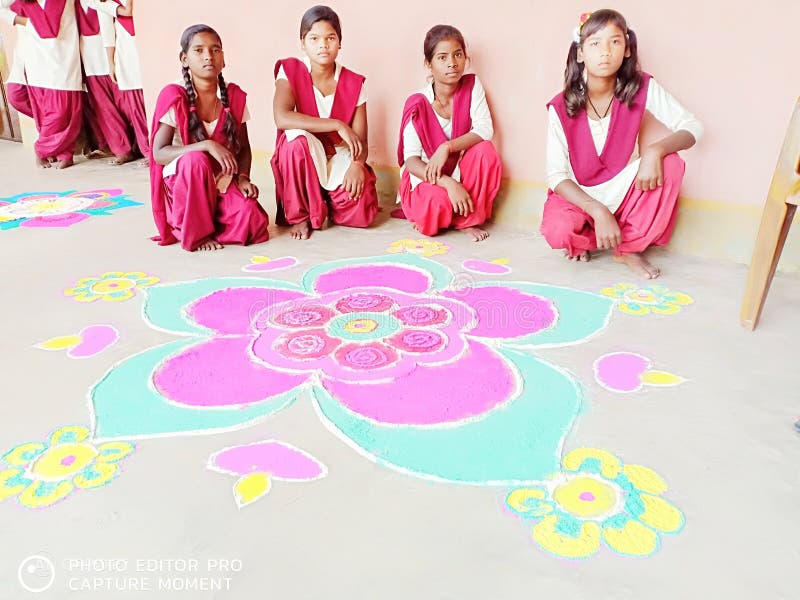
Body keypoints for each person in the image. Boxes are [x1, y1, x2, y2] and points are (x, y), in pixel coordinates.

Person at [541, 9, 703, 278]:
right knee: (558, 230)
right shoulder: (560, 106)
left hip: (623, 189)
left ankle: (628, 248)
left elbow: (693, 126)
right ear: (580, 53)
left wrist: (656, 150)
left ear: (627, 49)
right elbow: (556, 176)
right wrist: (597, 209)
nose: (605, 51)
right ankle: (591, 232)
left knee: (671, 164)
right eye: (595, 43)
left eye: (614, 42)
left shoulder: (642, 88)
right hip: (580, 194)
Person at [149, 24, 269, 252]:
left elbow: (243, 147)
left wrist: (243, 178)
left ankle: (213, 218)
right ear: (184, 59)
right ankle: (196, 232)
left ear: (223, 59)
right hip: (185, 182)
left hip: (219, 180)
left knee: (252, 221)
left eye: (215, 50)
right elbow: (159, 153)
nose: (208, 57)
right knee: (196, 160)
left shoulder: (233, 96)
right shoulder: (174, 96)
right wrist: (206, 145)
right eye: (199, 50)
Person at [271, 5, 378, 240]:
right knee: (293, 141)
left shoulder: (354, 82)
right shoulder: (290, 71)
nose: (323, 45)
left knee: (362, 211)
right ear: (302, 43)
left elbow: (360, 141)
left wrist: (357, 165)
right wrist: (337, 124)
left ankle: (326, 200)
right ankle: (300, 215)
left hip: (339, 155)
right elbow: (282, 117)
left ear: (339, 42)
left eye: (330, 38)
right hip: (305, 155)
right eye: (314, 38)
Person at [397, 25, 502, 242]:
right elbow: (411, 161)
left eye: (458, 55)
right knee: (435, 203)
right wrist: (448, 183)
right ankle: (431, 209)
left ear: (465, 57)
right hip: (426, 177)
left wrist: (447, 147)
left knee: (485, 151)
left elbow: (485, 129)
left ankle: (468, 220)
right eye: (442, 57)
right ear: (429, 64)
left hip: (459, 169)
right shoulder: (417, 103)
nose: (452, 63)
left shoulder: (472, 86)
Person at [3, 0, 83, 168]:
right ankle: (58, 147)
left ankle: (48, 150)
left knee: (61, 112)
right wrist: (22, 20)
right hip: (34, 63)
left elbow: (50, 29)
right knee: (42, 110)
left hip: (61, 59)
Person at [75, 0, 134, 163]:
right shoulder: (71, 4)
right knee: (105, 109)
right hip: (90, 58)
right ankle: (122, 149)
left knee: (128, 104)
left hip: (116, 53)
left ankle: (140, 145)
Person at [93, 0, 148, 160]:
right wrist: (111, 63)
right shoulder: (102, 2)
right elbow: (107, 32)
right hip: (127, 50)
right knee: (136, 105)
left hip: (148, 41)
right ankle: (148, 150)